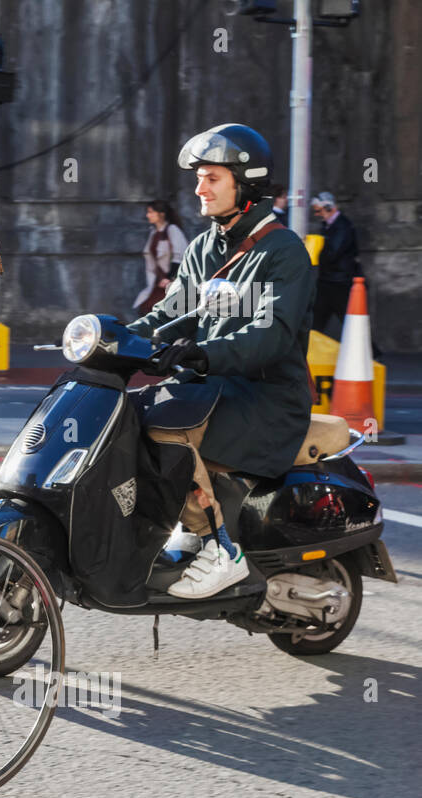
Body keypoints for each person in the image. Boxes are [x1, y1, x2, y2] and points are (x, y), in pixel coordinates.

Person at [127, 123, 315, 599]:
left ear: (246, 184)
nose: (199, 188)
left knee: (167, 428)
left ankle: (222, 548)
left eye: (211, 177)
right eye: (199, 177)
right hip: (212, 388)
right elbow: (171, 316)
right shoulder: (204, 248)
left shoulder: (283, 252)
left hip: (267, 397)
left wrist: (204, 353)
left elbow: (269, 337)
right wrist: (112, 342)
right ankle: (186, 523)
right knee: (129, 415)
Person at [310, 192, 360, 340]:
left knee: (349, 319)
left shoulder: (342, 226)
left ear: (329, 207)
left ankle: (373, 354)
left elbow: (332, 253)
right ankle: (307, 351)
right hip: (329, 280)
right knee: (316, 321)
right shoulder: (328, 225)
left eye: (319, 210)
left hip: (339, 282)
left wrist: (316, 253)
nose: (317, 214)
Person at [132, 199, 188, 315]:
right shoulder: (153, 233)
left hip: (171, 282)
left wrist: (169, 277)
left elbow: (181, 255)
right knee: (147, 309)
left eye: (151, 212)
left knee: (159, 311)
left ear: (161, 213)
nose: (148, 215)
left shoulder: (172, 230)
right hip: (157, 281)